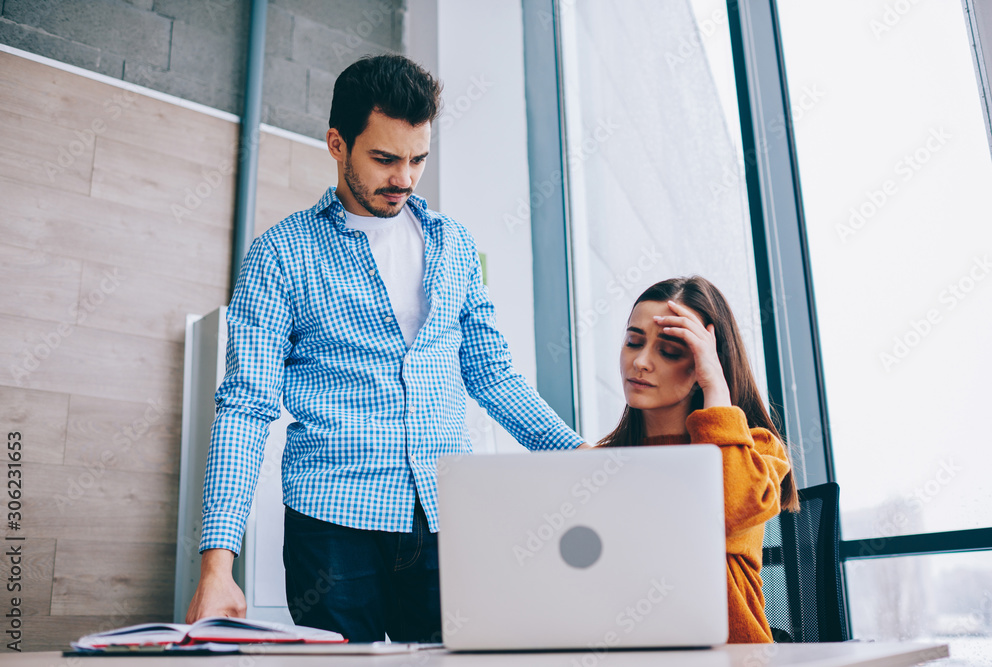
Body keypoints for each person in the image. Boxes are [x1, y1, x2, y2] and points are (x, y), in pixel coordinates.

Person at [185, 54, 588, 642]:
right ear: (337, 144)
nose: (404, 176)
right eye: (384, 158)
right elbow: (246, 407)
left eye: (418, 158)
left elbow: (492, 375)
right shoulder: (281, 254)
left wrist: (583, 456)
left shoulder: (453, 245)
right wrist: (217, 565)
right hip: (333, 529)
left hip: (448, 521)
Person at [597, 276, 798, 644]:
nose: (640, 362)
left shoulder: (754, 449)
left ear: (707, 363)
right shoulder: (602, 464)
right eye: (633, 342)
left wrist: (715, 388)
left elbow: (729, 506)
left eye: (670, 351)